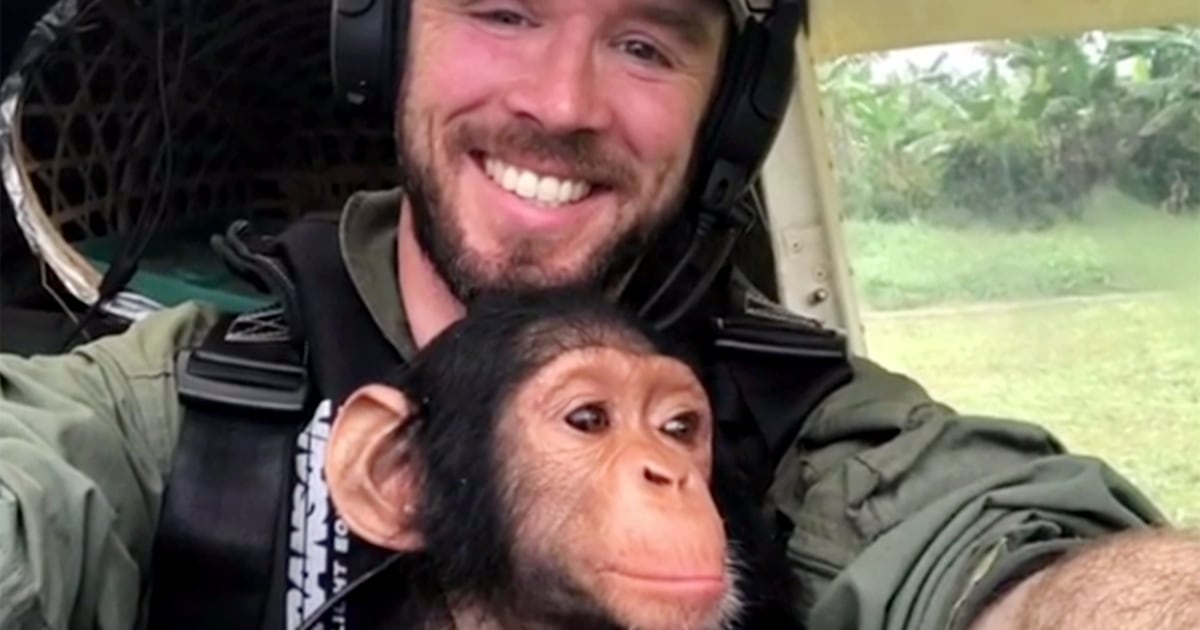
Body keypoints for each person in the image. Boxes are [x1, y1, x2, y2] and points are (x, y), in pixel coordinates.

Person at [0, 0, 1197, 628]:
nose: (560, 102)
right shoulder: (170, 409)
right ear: (387, 468)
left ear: (731, 111)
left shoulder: (811, 432)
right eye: (504, 10)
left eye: (643, 40)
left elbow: (1018, 559)